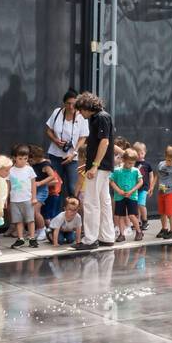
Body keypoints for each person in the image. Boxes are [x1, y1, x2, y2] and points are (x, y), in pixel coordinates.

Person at [73, 92, 116, 249]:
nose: (80, 113)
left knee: (91, 202)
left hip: (100, 166)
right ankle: (107, 236)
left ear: (86, 107)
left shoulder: (100, 117)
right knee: (104, 201)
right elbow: (104, 143)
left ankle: (90, 239)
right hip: (102, 166)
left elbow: (104, 142)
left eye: (81, 110)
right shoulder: (101, 117)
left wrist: (95, 164)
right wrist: (91, 163)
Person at [43, 91, 88, 199]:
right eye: (68, 103)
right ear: (64, 103)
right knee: (55, 186)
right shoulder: (57, 112)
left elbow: (83, 137)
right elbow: (48, 130)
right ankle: (56, 214)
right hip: (55, 154)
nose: (71, 106)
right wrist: (55, 140)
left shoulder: (81, 116)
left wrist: (74, 152)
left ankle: (73, 212)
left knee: (72, 187)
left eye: (74, 103)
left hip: (72, 156)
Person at [7, 144, 37, 248]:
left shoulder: (29, 169)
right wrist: (6, 199)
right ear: (14, 158)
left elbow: (33, 184)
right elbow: (8, 185)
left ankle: (32, 238)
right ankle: (20, 238)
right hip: (15, 200)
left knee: (30, 219)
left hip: (27, 199)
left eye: (25, 158)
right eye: (20, 158)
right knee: (18, 220)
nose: (23, 161)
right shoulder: (10, 170)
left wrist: (34, 197)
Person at [111, 149, 144, 242]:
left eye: (133, 163)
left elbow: (140, 182)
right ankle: (122, 234)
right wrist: (119, 190)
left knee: (131, 215)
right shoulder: (117, 171)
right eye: (129, 163)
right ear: (123, 160)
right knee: (120, 216)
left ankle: (139, 231)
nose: (131, 165)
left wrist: (132, 191)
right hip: (119, 196)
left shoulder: (135, 171)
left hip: (132, 196)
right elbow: (111, 181)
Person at [30, 144, 60, 241]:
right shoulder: (33, 164)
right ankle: (38, 230)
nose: (30, 161)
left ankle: (43, 230)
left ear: (36, 157)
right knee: (32, 211)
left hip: (42, 190)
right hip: (33, 189)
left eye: (31, 159)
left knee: (35, 211)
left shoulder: (45, 165)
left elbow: (52, 176)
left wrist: (41, 183)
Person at [154, 146, 172, 240]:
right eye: (169, 160)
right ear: (165, 157)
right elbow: (156, 176)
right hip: (161, 191)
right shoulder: (161, 165)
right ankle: (164, 229)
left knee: (170, 213)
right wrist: (151, 186)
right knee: (162, 212)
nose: (171, 163)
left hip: (170, 193)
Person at [134, 142, 154, 232]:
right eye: (137, 153)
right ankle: (137, 222)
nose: (139, 155)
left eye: (141, 153)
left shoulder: (147, 164)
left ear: (145, 152)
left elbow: (151, 176)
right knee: (135, 206)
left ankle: (145, 221)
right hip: (134, 188)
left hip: (144, 188)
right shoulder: (132, 164)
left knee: (141, 204)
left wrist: (151, 187)